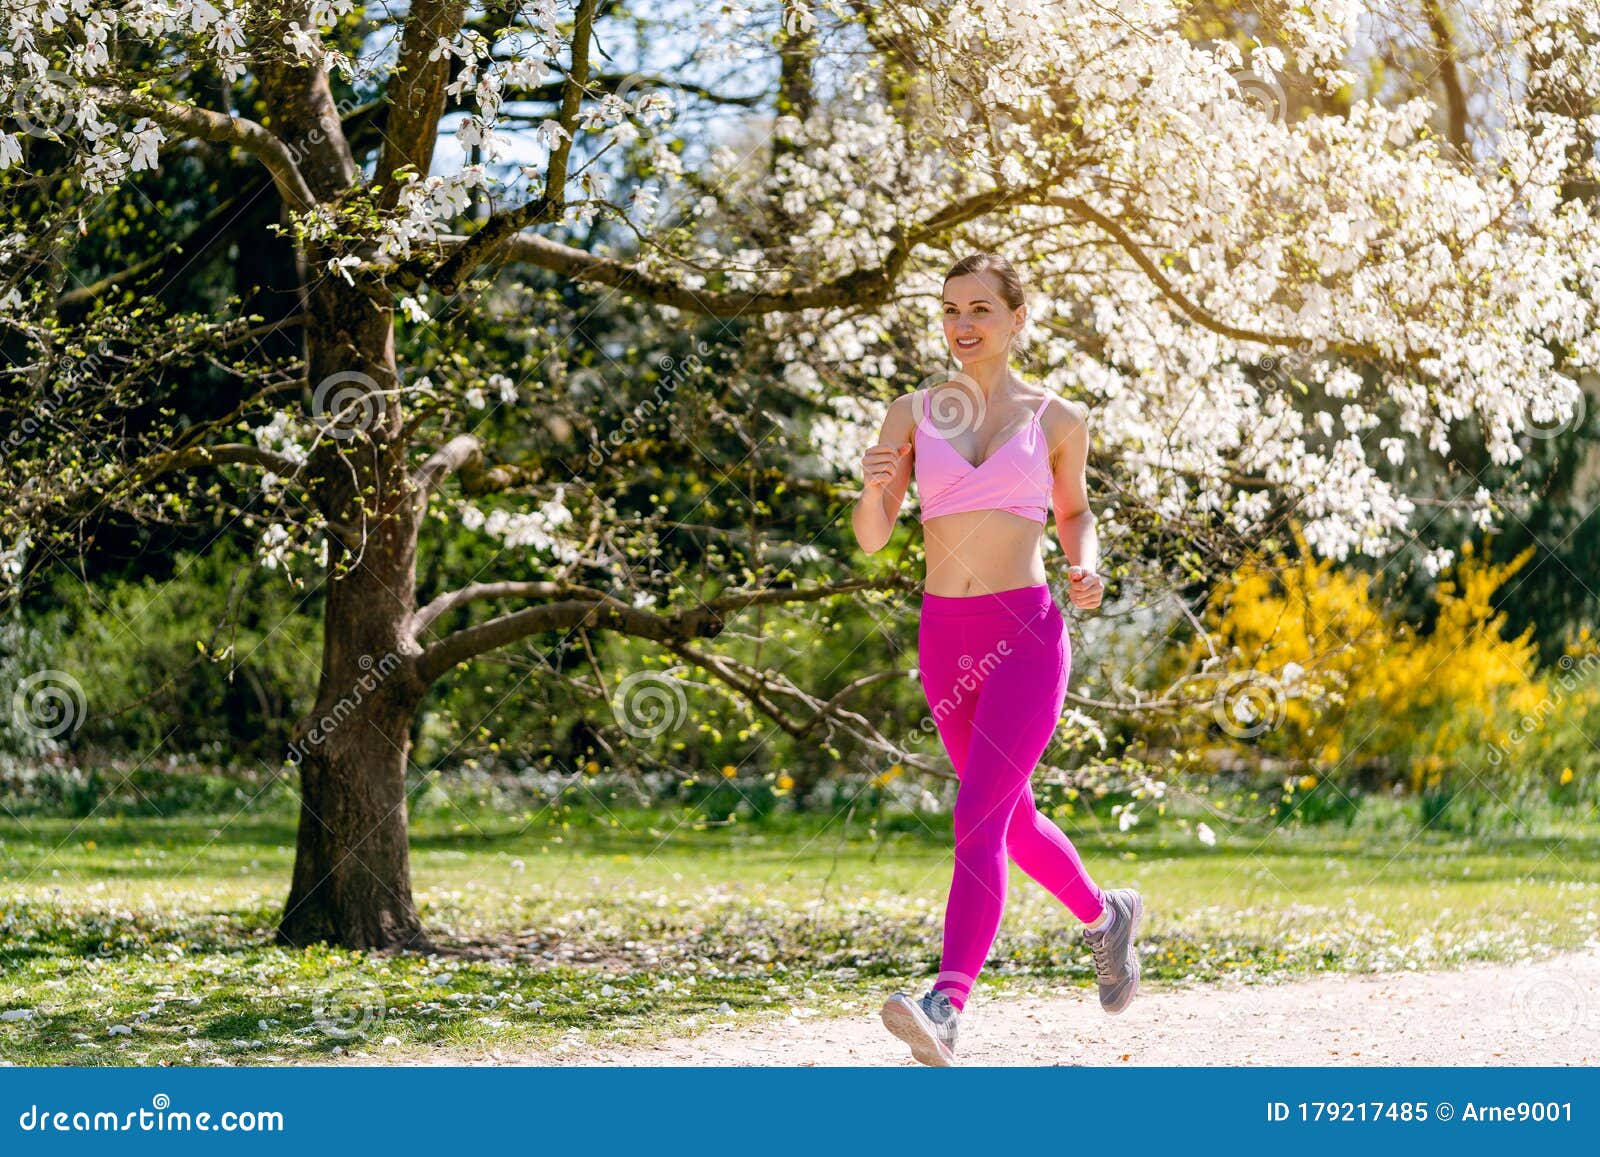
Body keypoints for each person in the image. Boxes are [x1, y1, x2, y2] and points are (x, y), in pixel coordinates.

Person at [851, 252, 1143, 1067]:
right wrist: (874, 488)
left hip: (1026, 636)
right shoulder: (909, 413)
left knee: (978, 817)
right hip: (946, 638)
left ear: (1017, 318)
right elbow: (873, 537)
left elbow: (1076, 512)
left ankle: (946, 1005)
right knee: (1007, 819)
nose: (962, 324)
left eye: (980, 308)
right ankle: (1106, 916)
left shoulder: (1058, 418)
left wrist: (1086, 562)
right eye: (949, 310)